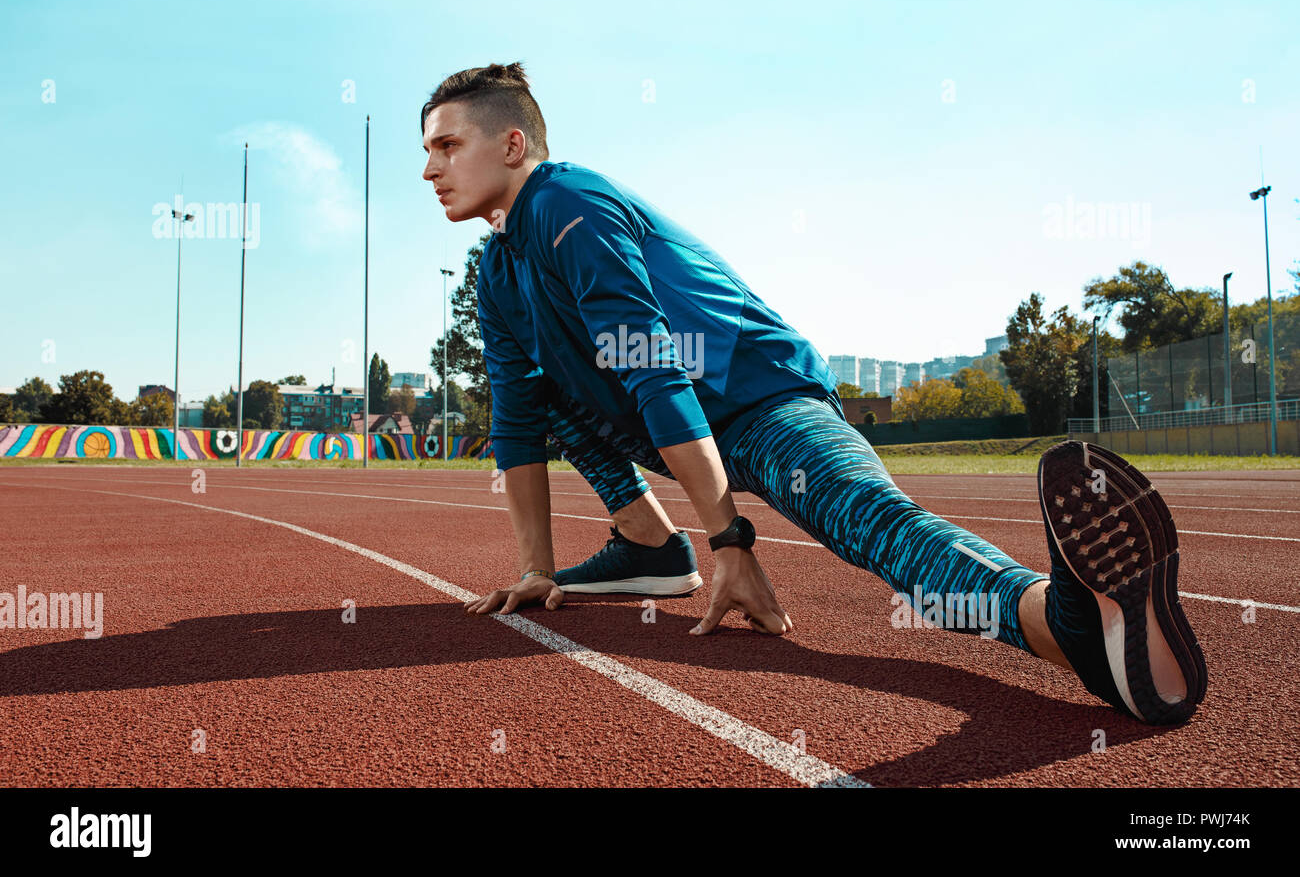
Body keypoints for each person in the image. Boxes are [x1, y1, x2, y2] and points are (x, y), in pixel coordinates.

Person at [420, 62, 1207, 725]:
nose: (430, 171)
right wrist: (535, 567)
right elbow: (519, 418)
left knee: (868, 521)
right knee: (534, 383)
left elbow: (654, 365)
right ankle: (650, 548)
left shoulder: (567, 202)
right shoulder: (496, 271)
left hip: (761, 402)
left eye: (448, 146)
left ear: (513, 143)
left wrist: (731, 542)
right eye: (428, 153)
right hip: (682, 435)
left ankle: (1062, 622)